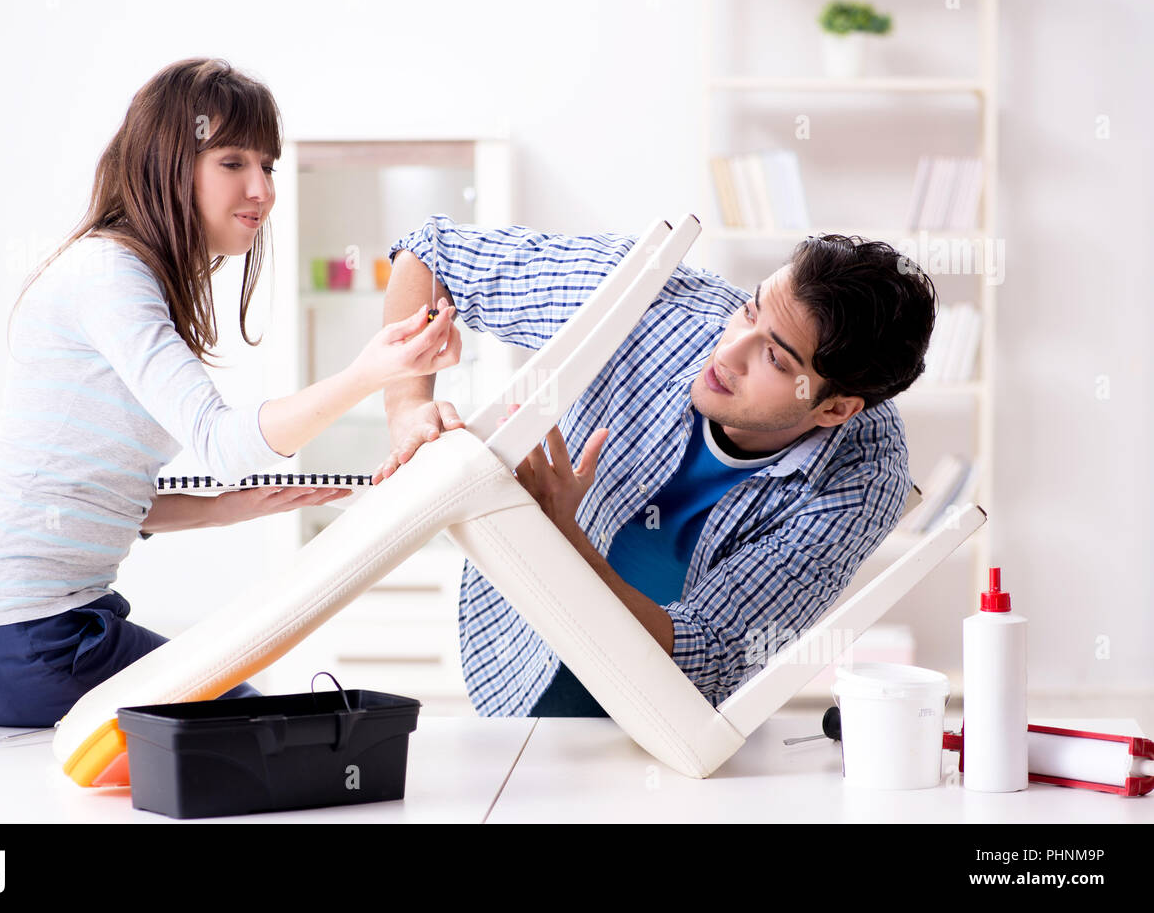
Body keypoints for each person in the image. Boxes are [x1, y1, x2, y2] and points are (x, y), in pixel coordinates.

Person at [0, 59, 460, 727]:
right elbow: (222, 443)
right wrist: (370, 373)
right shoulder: (111, 276)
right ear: (169, 165)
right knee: (255, 730)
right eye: (232, 162)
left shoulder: (122, 273)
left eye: (269, 165)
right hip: (23, 635)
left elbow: (85, 488)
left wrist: (223, 509)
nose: (262, 188)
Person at [374, 215, 936, 716]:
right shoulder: (648, 305)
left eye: (772, 357)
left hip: (660, 708)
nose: (729, 350)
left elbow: (710, 654)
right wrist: (407, 409)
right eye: (750, 308)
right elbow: (433, 253)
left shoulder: (864, 478)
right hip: (517, 646)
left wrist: (565, 537)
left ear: (836, 408)